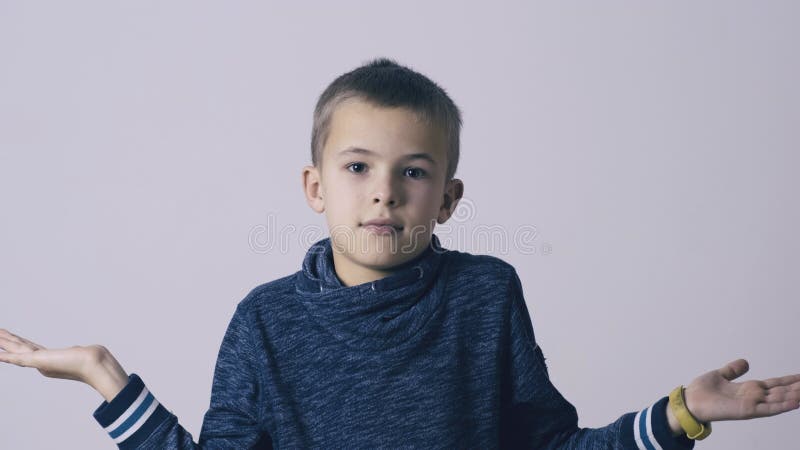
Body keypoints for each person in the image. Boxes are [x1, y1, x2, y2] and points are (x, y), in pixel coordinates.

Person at [1, 58, 798, 449]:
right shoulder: (266, 320)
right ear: (316, 187)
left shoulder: (486, 294)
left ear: (446, 198)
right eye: (358, 169)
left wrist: (683, 415)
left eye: (412, 173)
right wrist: (106, 379)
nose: (384, 193)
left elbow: (552, 448)